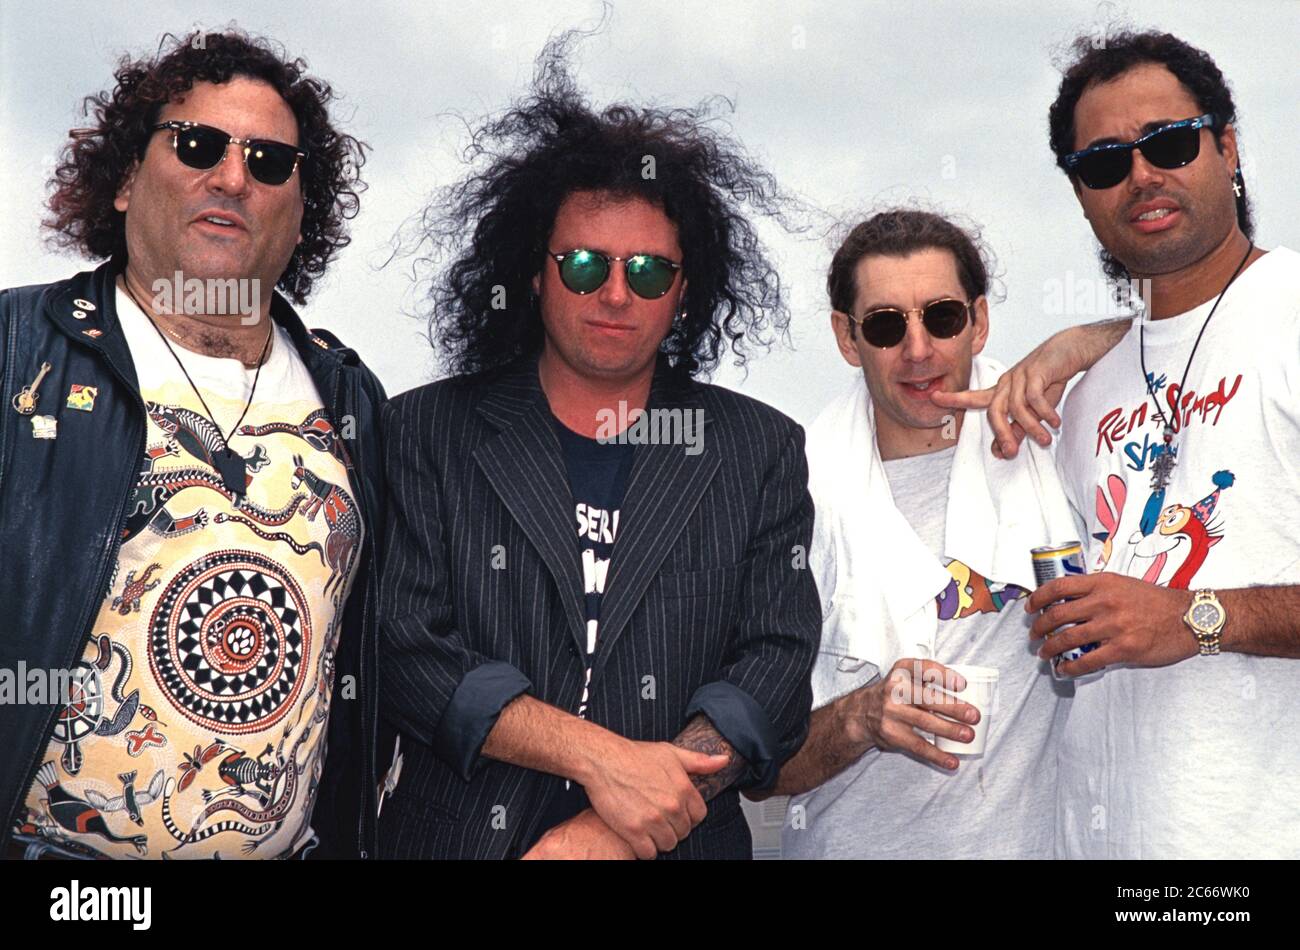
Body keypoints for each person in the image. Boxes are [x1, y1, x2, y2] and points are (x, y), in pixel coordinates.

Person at [375, 39, 821, 860]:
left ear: (685, 292)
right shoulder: (421, 432)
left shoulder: (758, 449)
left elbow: (775, 672)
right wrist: (603, 762)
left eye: (650, 273)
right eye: (584, 265)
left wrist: (620, 825)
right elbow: (407, 652)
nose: (617, 294)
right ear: (534, 274)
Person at [0, 30, 385, 860]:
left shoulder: (352, 402)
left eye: (271, 161)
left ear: (300, 207)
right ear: (126, 180)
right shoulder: (16, 351)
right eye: (199, 144)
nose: (234, 177)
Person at [939, 31, 1300, 858]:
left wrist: (1200, 618)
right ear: (1080, 194)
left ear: (1228, 146)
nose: (1141, 175)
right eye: (1103, 162)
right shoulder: (1084, 386)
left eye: (1169, 142)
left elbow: (1181, 616)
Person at [746, 209, 1076, 858]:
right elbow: (755, 770)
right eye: (886, 324)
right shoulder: (789, 501)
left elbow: (1186, 327)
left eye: (943, 317)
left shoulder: (1053, 450)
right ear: (847, 337)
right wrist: (860, 717)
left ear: (979, 322)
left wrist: (1076, 343)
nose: (918, 349)